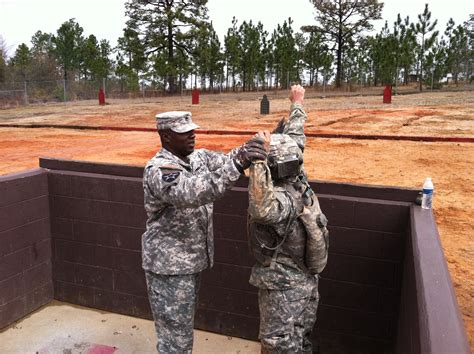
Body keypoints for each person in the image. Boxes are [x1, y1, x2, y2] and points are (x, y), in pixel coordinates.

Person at [142, 111, 267, 353]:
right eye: (184, 132)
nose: (192, 135)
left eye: (192, 130)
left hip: (190, 263)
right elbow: (192, 192)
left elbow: (228, 160)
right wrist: (239, 162)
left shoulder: (198, 157)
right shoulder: (160, 170)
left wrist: (251, 146)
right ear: (166, 137)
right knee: (175, 341)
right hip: (170, 269)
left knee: (182, 331)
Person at [247, 86, 329, 353]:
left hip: (284, 290)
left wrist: (258, 160)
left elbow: (261, 208)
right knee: (302, 341)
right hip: (307, 284)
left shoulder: (284, 200)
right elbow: (295, 137)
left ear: (272, 167)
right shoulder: (300, 180)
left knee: (279, 346)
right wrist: (298, 103)